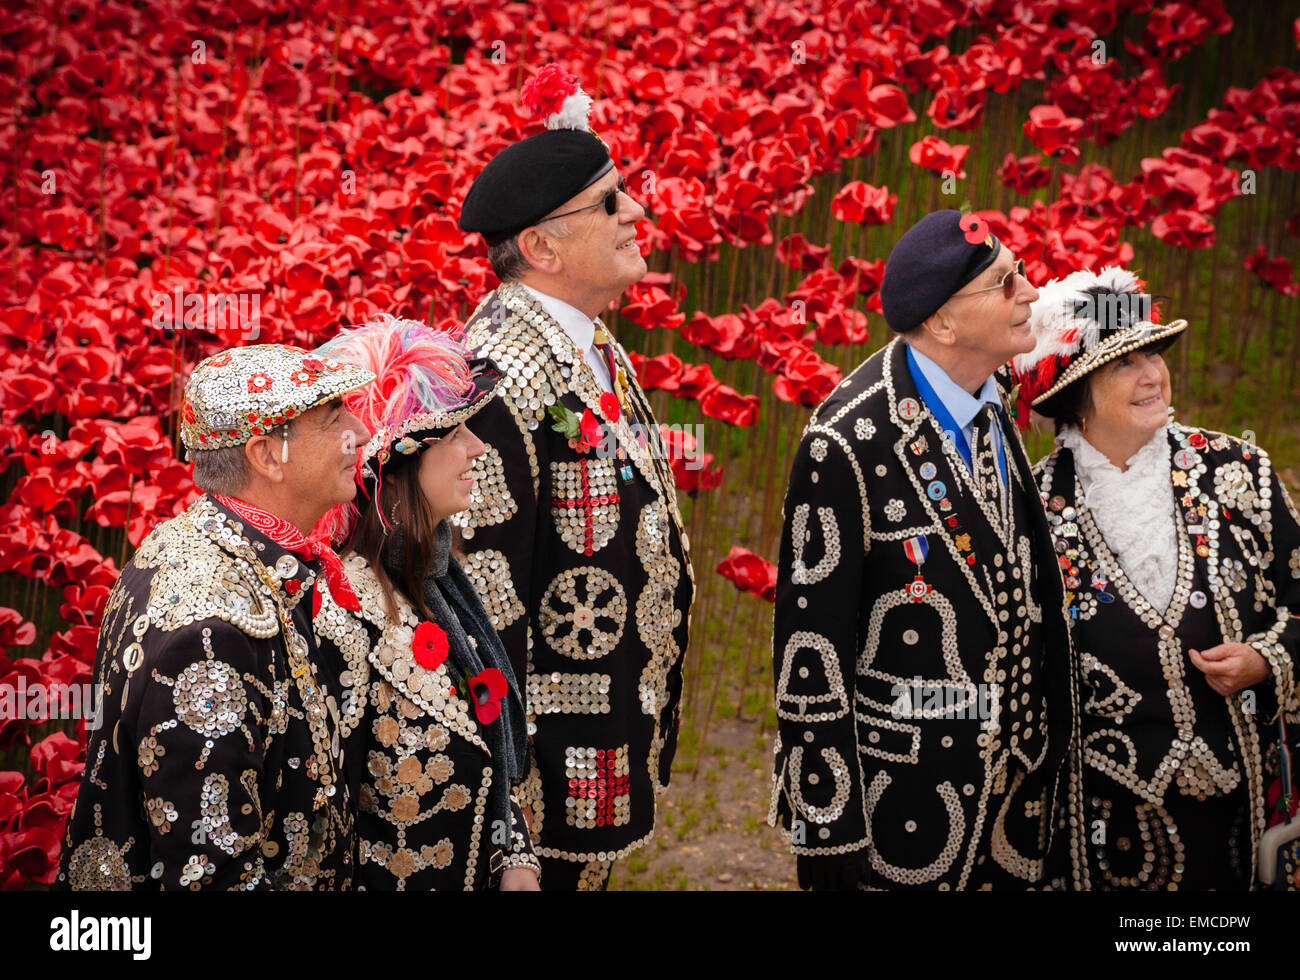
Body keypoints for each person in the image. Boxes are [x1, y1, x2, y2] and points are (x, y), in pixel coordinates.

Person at [768, 209, 1084, 890]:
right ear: (942, 323)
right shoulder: (846, 440)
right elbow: (810, 650)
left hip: (1014, 796)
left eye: (1020, 273)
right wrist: (826, 835)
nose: (1029, 292)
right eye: (1004, 284)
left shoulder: (988, 397)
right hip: (905, 803)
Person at [453, 66, 694, 890]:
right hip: (541, 780)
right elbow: (480, 607)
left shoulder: (589, 341)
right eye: (610, 204)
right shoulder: (501, 371)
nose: (638, 215)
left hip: (594, 749)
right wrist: (507, 829)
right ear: (542, 247)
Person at [1014, 266, 1300, 889]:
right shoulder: (1030, 511)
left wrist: (1265, 659)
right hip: (1100, 832)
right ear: (1074, 395)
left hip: (1243, 820)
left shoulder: (1239, 472)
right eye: (1123, 362)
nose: (1152, 375)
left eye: (1153, 353)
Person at [57, 345, 373, 890]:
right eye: (332, 417)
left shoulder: (206, 540)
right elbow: (207, 871)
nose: (361, 430)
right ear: (267, 455)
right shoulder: (208, 632)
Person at [312, 315, 540, 890]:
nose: (479, 447)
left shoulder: (438, 579)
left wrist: (515, 856)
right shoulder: (345, 613)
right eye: (455, 433)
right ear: (397, 464)